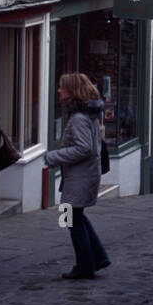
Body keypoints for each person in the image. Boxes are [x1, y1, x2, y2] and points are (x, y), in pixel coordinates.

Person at [42, 73, 111, 279]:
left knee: (70, 218)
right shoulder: (87, 115)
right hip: (83, 175)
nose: (59, 91)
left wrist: (53, 156)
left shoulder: (79, 119)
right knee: (76, 216)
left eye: (62, 87)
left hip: (81, 177)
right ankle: (98, 257)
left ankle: (85, 265)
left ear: (72, 91)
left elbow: (84, 149)